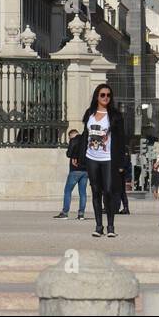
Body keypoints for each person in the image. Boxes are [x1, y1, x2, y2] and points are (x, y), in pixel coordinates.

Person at [74, 83, 128, 239]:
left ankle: (111, 226)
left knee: (109, 191)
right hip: (92, 157)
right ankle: (99, 226)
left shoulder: (115, 115)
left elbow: (120, 139)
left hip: (109, 158)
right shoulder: (89, 113)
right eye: (102, 95)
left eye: (108, 95)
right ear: (97, 96)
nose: (106, 98)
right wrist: (79, 155)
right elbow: (85, 135)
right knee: (96, 191)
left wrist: (121, 163)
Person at [55, 128, 88, 220]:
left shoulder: (74, 140)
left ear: (72, 135)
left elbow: (69, 154)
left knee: (68, 191)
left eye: (69, 137)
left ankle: (65, 212)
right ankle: (81, 214)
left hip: (75, 169)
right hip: (85, 170)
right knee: (83, 193)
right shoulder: (86, 140)